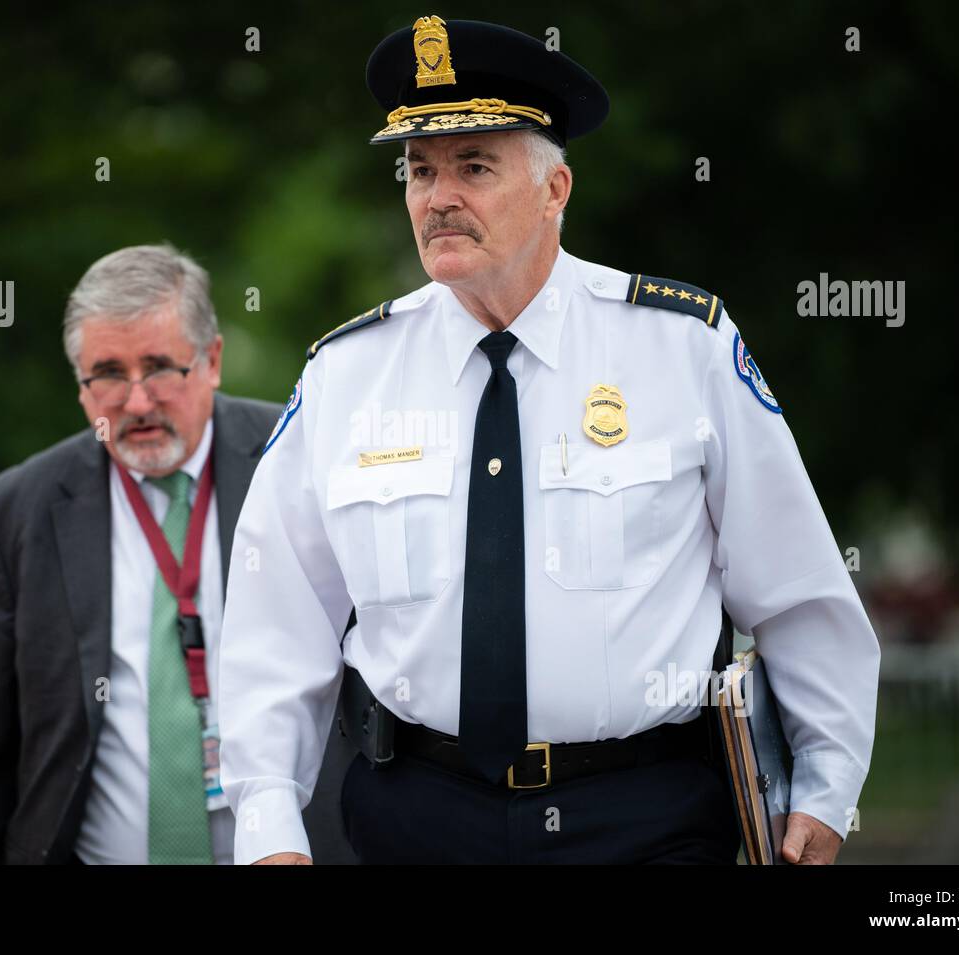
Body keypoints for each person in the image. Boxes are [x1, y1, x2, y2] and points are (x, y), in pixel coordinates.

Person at [218, 17, 880, 865]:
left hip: (643, 816)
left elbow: (797, 588)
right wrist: (269, 828)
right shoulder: (347, 374)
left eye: (474, 167)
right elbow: (278, 625)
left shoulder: (681, 347)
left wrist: (827, 787)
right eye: (418, 171)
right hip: (418, 817)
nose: (437, 196)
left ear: (555, 190)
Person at [0, 243, 353, 863]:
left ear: (210, 360)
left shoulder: (301, 460)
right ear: (79, 387)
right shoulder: (12, 516)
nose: (135, 402)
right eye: (107, 374)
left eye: (159, 367)